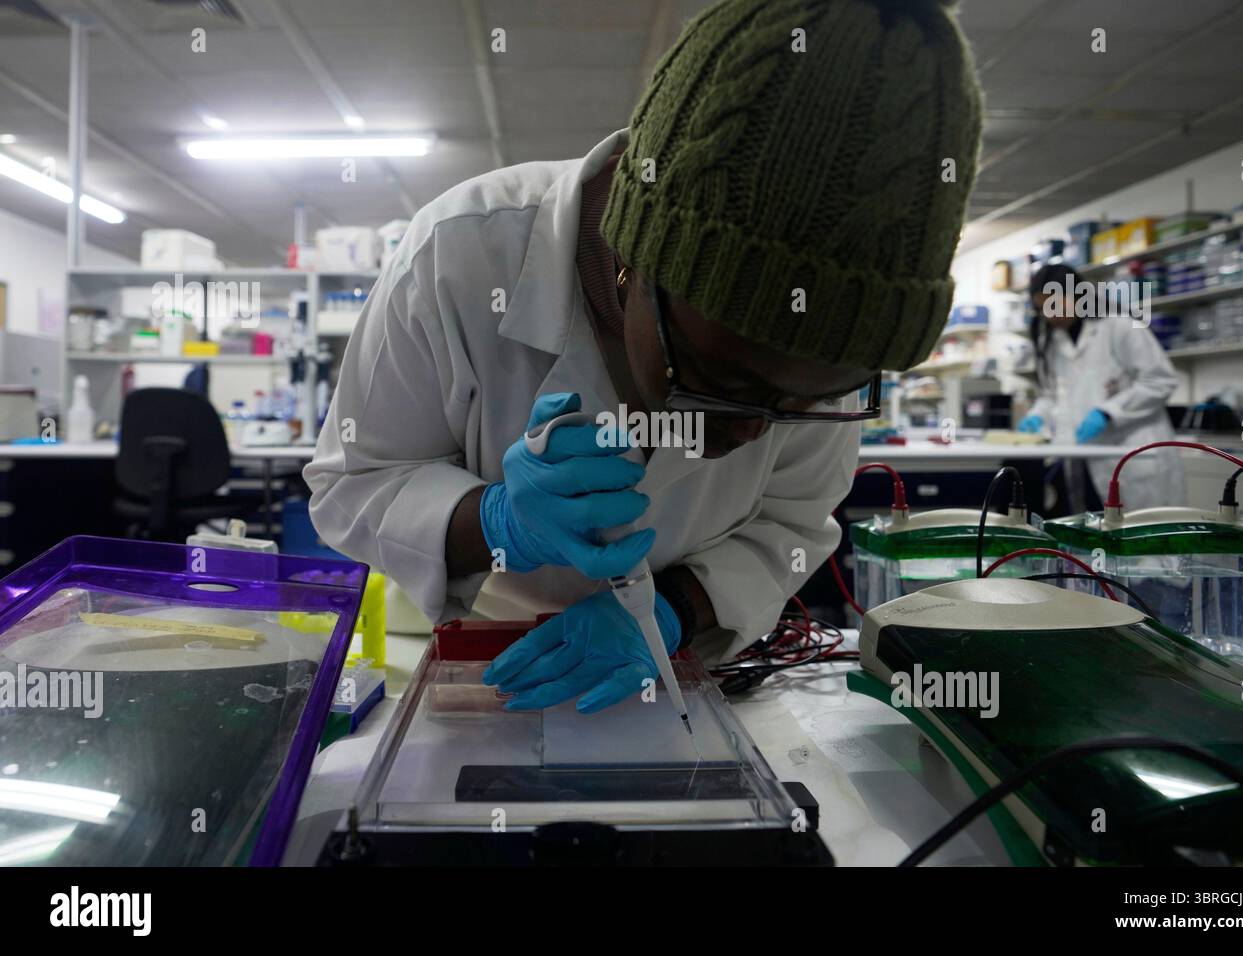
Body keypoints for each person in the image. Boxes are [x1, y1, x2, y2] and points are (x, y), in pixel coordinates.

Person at [305, 0, 982, 714]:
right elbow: (352, 486)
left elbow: (792, 523)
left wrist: (673, 613)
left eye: (806, 403)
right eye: (720, 382)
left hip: (694, 670)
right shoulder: (459, 255)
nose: (751, 435)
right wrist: (495, 520)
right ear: (629, 260)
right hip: (483, 667)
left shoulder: (822, 350)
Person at [1018, 262, 1185, 512]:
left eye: (1055, 304)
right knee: (1090, 537)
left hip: (1133, 453)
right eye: (1043, 309)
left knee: (1147, 540)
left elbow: (1160, 380)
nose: (1050, 315)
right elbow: (1052, 394)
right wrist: (1035, 415)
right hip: (1083, 458)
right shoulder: (1051, 342)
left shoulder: (1121, 327)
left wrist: (1109, 412)